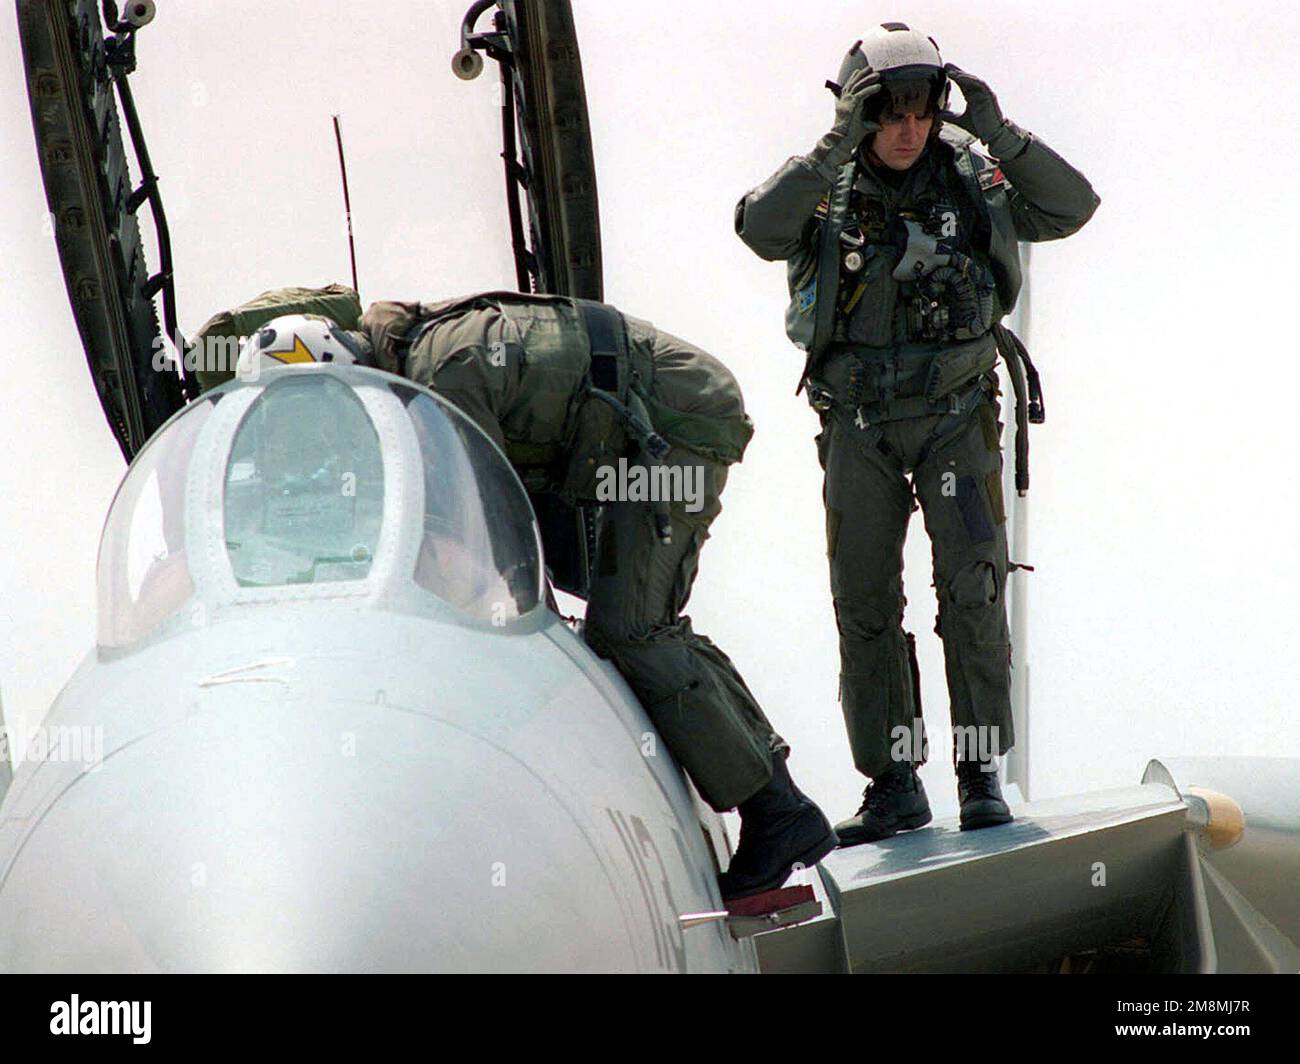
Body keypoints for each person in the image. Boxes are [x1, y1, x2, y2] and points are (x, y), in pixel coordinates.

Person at [235, 297, 837, 899]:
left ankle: (777, 813)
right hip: (632, 435)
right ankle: (778, 799)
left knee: (631, 629)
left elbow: (487, 523)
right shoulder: (419, 368)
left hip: (676, 428)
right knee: (636, 625)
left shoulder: (442, 379)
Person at [734, 22, 1099, 844]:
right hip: (859, 428)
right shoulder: (823, 189)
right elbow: (759, 230)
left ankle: (979, 776)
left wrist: (998, 129)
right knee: (864, 602)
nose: (907, 129)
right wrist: (834, 146)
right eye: (889, 111)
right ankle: (894, 783)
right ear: (860, 112)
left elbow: (1072, 206)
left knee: (971, 592)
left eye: (922, 110)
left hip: (955, 423)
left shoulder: (974, 171)